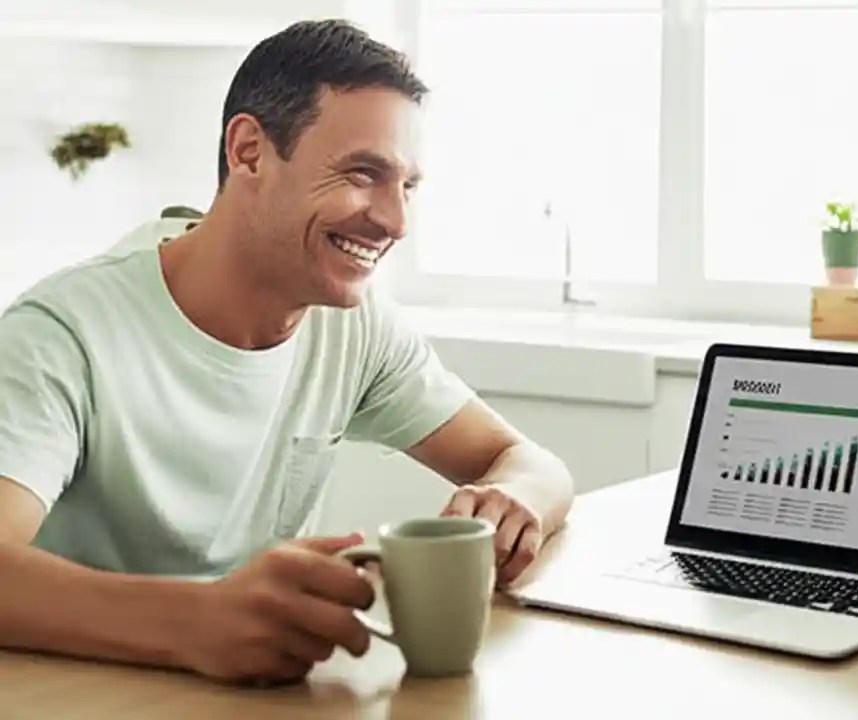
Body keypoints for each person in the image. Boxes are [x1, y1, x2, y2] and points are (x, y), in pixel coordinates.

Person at [0, 20, 573, 684]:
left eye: (407, 186)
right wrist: (196, 621)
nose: (395, 221)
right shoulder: (61, 334)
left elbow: (531, 461)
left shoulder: (353, 330)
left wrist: (515, 498)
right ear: (248, 151)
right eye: (364, 173)